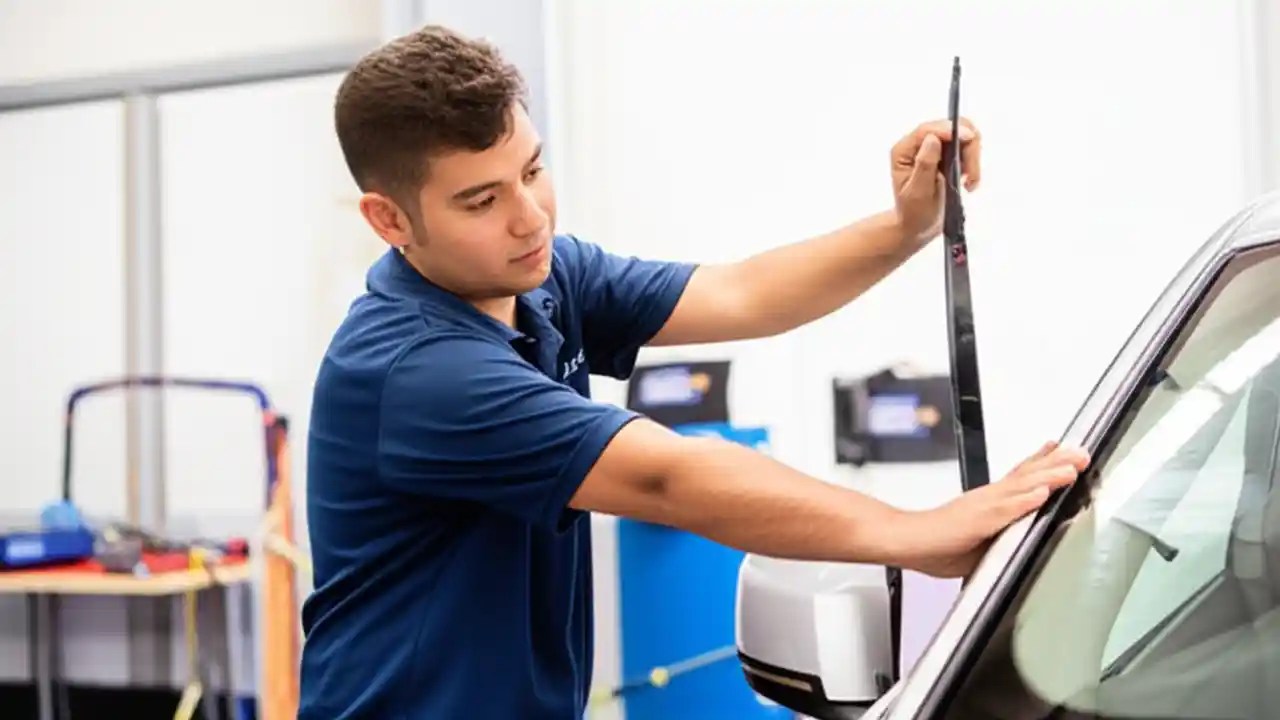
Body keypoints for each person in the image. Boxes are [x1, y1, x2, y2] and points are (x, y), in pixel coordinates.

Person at [299, 24, 1090, 720]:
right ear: (390, 219)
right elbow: (667, 478)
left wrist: (907, 227)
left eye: (532, 171)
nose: (530, 217)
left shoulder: (545, 280)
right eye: (481, 202)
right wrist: (916, 536)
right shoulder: (414, 370)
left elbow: (740, 293)